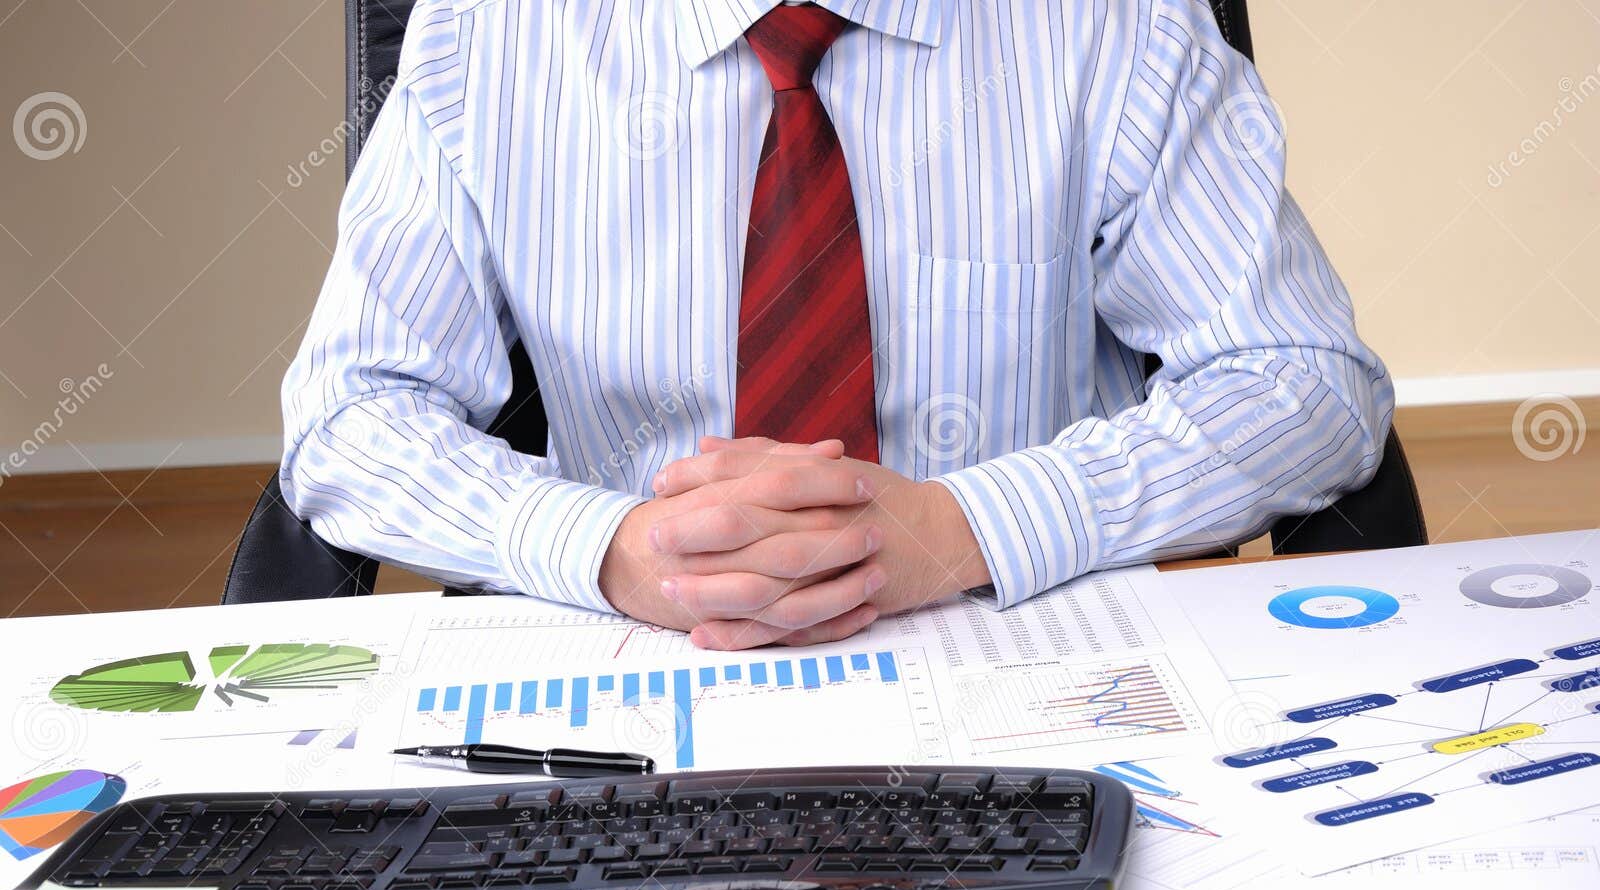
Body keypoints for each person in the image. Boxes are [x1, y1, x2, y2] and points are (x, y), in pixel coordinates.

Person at [281, 0, 1392, 651]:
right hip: (633, 669)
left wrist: (963, 528)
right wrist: (616, 551)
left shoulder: (1113, 26)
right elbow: (349, 416)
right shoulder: (484, 37)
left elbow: (1304, 381)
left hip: (1023, 651)